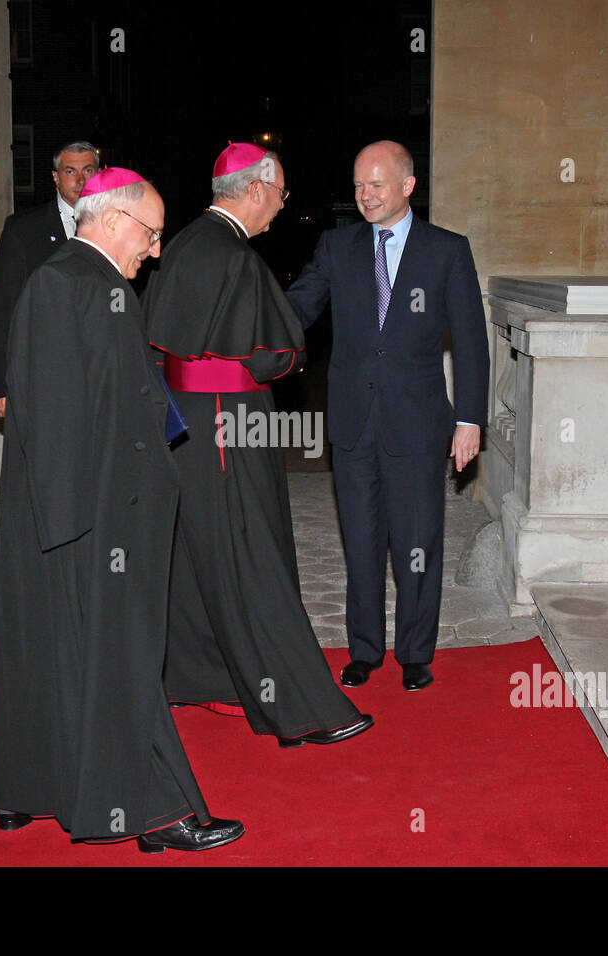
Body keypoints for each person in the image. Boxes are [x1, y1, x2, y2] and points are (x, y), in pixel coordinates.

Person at [0, 167, 244, 852]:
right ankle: (154, 812)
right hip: (95, 519)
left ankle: (32, 789)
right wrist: (90, 531)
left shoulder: (97, 283)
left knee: (60, 655)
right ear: (117, 219)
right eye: (152, 234)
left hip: (95, 514)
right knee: (120, 661)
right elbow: (50, 418)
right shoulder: (64, 282)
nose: (156, 251)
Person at [146, 142, 373, 747]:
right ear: (255, 189)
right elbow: (278, 352)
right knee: (252, 554)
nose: (280, 205)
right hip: (230, 425)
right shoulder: (233, 257)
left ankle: (203, 675)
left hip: (185, 424)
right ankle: (300, 707)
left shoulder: (188, 242)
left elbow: (155, 337)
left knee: (194, 554)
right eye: (280, 193)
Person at [287, 140, 489, 692]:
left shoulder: (446, 251)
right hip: (353, 420)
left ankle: (416, 650)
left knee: (417, 538)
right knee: (361, 538)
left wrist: (470, 418)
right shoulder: (336, 247)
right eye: (358, 185)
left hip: (419, 422)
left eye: (376, 184)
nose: (365, 195)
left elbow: (471, 341)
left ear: (407, 186)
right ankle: (364, 650)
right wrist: (250, 318)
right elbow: (299, 306)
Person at [0, 140, 99, 418]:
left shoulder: (116, 225)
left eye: (88, 170)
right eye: (71, 171)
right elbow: (1, 309)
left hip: (101, 372)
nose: (81, 180)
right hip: (45, 374)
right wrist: (1, 385)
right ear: (56, 177)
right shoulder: (23, 229)